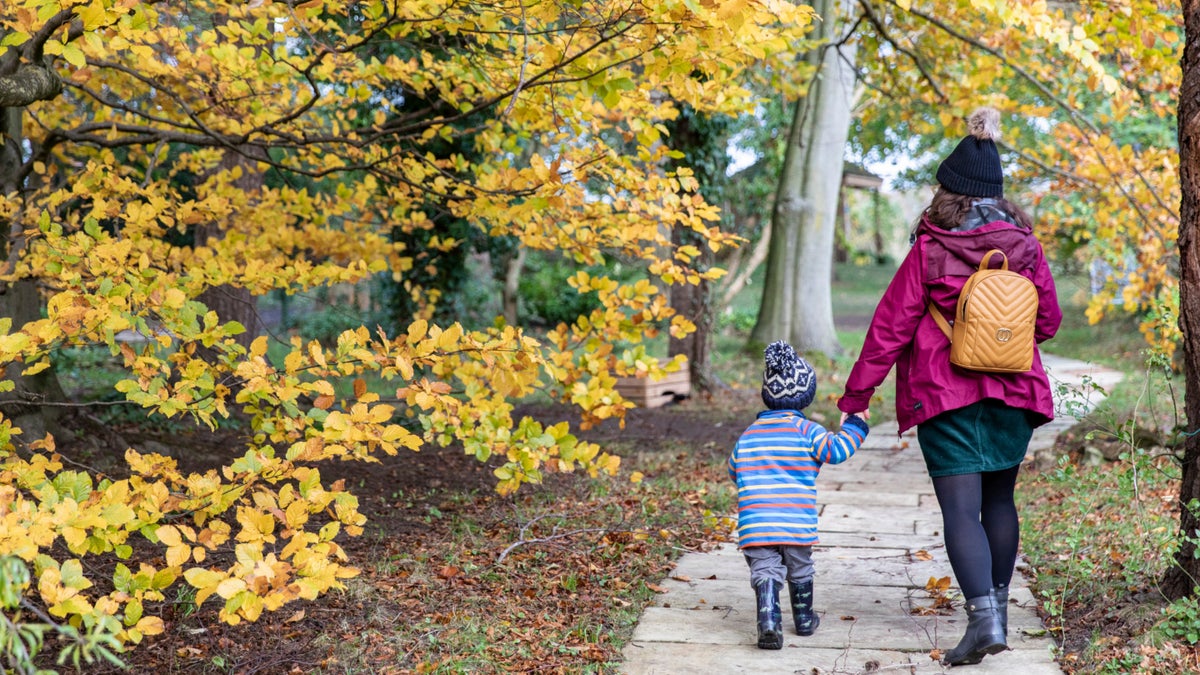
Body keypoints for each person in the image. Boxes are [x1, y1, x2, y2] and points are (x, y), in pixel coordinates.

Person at [836, 107, 1062, 667]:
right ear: (999, 193)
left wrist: (856, 401)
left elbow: (888, 328)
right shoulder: (1026, 248)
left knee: (961, 513)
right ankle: (1000, 619)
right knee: (999, 501)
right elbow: (1049, 323)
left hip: (945, 395)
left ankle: (983, 622)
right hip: (1014, 394)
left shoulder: (929, 249)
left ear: (948, 191)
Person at [729, 341, 869, 650]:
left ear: (767, 395)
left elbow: (734, 470)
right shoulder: (808, 431)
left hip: (756, 524)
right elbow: (837, 450)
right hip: (795, 522)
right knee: (800, 567)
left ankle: (768, 621)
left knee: (764, 569)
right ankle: (804, 621)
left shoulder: (749, 435)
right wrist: (857, 424)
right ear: (805, 396)